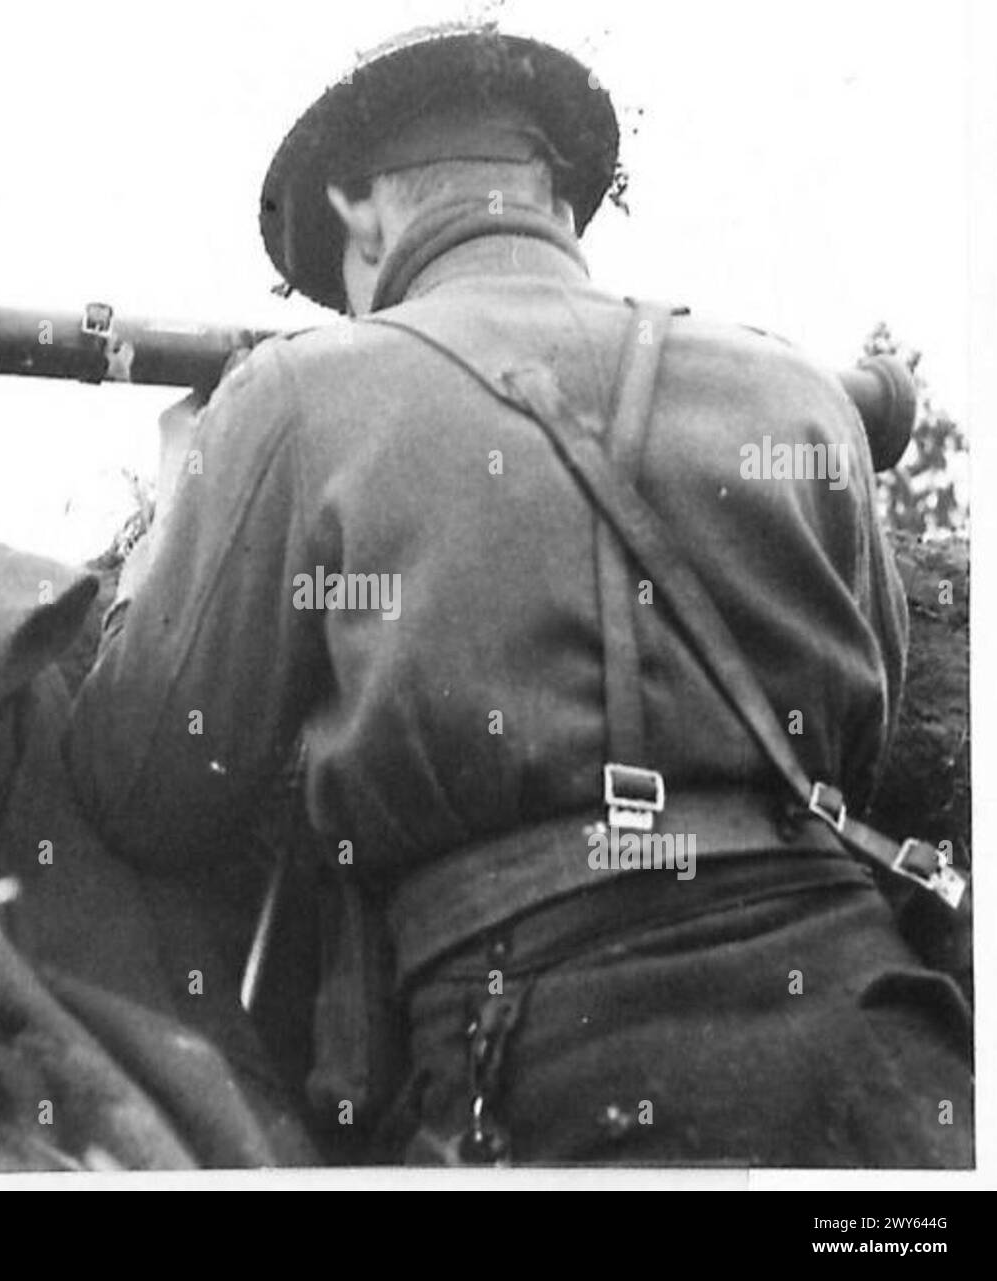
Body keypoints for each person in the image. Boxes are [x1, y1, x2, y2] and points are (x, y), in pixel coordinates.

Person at [66, 22, 972, 1165]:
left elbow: (142, 781)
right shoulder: (800, 395)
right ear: (552, 193)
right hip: (880, 1053)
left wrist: (181, 500)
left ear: (357, 209)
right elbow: (864, 740)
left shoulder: (293, 395)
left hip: (535, 1071)